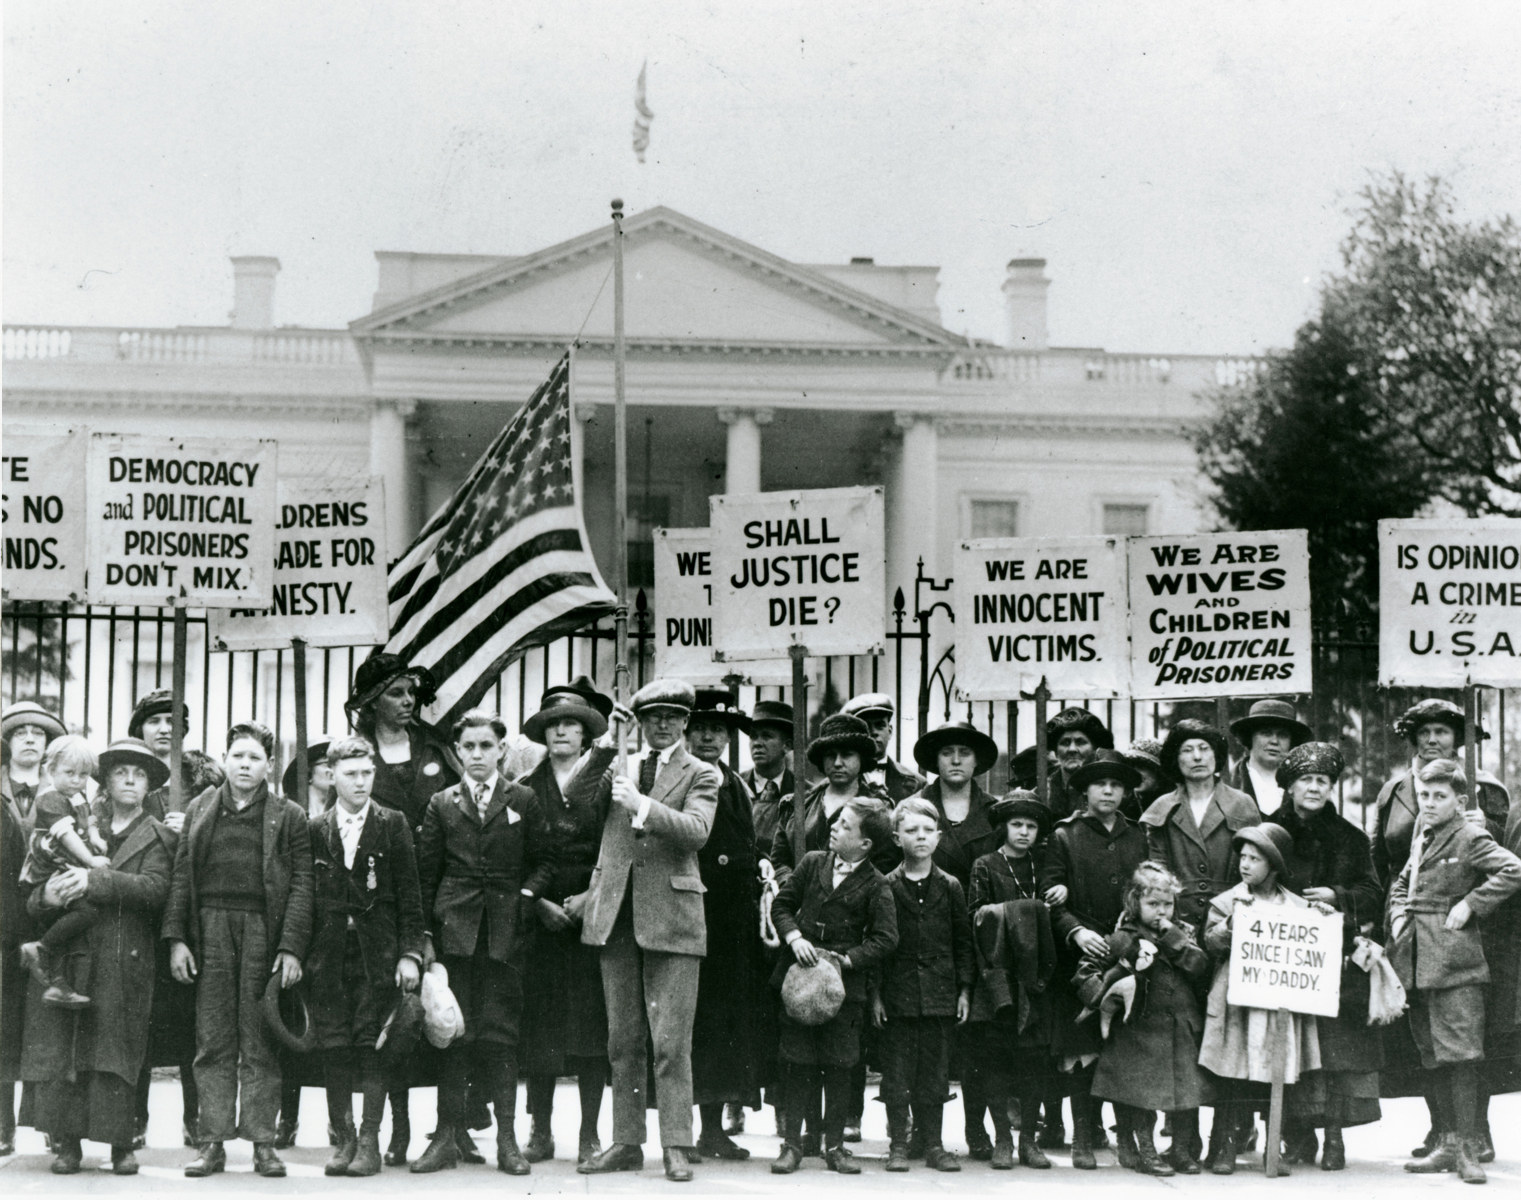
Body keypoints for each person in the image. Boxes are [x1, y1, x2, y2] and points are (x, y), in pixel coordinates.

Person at [572, 679, 719, 1183]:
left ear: (685, 723)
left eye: (671, 716)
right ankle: (627, 1141)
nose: (661, 724)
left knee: (672, 1041)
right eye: (651, 715)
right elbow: (571, 794)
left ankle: (677, 1142)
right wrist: (603, 743)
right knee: (623, 1040)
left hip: (673, 918)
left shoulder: (702, 772)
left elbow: (697, 831)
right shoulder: (619, 760)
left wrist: (641, 804)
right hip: (615, 915)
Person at [162, 720, 314, 1179]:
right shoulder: (201, 807)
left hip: (262, 933)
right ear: (225, 760)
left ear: (269, 766)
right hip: (209, 929)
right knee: (213, 1037)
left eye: (255, 758)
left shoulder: (289, 815)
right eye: (238, 756)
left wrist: (290, 947)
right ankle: (212, 1141)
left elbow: (304, 885)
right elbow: (181, 877)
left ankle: (263, 1142)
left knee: (259, 1037)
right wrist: (177, 939)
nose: (245, 765)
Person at [20, 738, 175, 1176]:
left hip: (125, 959)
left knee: (117, 1050)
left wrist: (96, 881)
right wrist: (46, 897)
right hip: (73, 955)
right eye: (121, 772)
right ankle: (67, 1143)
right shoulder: (77, 820)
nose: (130, 780)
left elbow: (155, 890)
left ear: (149, 786)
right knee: (68, 1048)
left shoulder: (159, 835)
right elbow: (35, 886)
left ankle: (121, 1143)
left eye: (140, 774)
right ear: (104, 779)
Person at [411, 710, 554, 1175]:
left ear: (501, 751)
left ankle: (508, 1142)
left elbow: (544, 861)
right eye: (468, 747)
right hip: (455, 935)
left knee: (501, 1037)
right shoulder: (442, 803)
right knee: (453, 1033)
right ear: (457, 751)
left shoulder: (525, 799)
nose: (476, 755)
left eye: (485, 747)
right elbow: (425, 874)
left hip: (505, 936)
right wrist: (427, 936)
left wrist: (525, 897)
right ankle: (447, 1136)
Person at [1373, 698, 1510, 1160]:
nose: (1433, 740)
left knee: (1467, 1035)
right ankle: (1443, 1132)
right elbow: (1389, 862)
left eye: (1444, 732)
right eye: (1425, 732)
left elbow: (1500, 859)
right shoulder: (1395, 791)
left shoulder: (1483, 790)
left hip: (1463, 931)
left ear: (1459, 740)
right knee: (1425, 1038)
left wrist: (1472, 905)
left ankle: (1474, 1135)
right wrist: (1394, 912)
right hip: (1412, 929)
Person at [345, 651, 462, 1158]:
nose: (408, 701)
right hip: (380, 899)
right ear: (371, 703)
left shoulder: (434, 748)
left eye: (412, 693)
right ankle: (395, 1129)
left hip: (438, 891)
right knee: (391, 1014)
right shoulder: (357, 754)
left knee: (439, 1011)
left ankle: (448, 1130)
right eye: (396, 693)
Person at [1387, 759, 1521, 1185]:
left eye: (1439, 796)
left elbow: (1514, 868)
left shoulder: (1469, 834)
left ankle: (1466, 1147)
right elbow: (1401, 881)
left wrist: (1471, 904)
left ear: (1460, 801)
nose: (1429, 803)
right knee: (1431, 1052)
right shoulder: (1422, 834)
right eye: (1423, 795)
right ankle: (1445, 1141)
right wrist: (1395, 915)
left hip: (1456, 962)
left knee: (1461, 1054)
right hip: (1415, 958)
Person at [304, 736, 425, 1176]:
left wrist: (410, 954)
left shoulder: (393, 823)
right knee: (334, 1042)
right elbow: (305, 900)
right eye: (350, 774)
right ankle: (345, 1139)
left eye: (366, 773)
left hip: (379, 955)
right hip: (331, 955)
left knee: (372, 1042)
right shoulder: (315, 829)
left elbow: (411, 900)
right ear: (331, 775)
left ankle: (370, 1140)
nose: (360, 782)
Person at [1267, 742, 1384, 1170]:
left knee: (1335, 1051)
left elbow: (1373, 893)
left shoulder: (1351, 838)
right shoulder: (1267, 831)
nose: (1315, 788)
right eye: (1306, 780)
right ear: (1290, 786)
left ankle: (1334, 1135)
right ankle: (1296, 1137)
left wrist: (1337, 897)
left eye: (1323, 781)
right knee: (1290, 1044)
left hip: (1334, 958)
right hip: (1282, 955)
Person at [769, 798, 898, 1175]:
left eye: (844, 825)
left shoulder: (877, 884)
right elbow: (782, 906)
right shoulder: (812, 863)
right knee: (797, 1061)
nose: (834, 828)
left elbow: (886, 938)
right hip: (800, 979)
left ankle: (835, 1146)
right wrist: (794, 938)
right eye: (837, 821)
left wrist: (848, 960)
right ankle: (793, 1144)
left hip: (846, 990)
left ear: (865, 845)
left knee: (840, 1065)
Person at [517, 677, 616, 1168]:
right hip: (541, 922)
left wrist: (591, 895)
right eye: (553, 725)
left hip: (591, 918)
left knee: (591, 1028)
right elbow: (518, 859)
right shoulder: (525, 788)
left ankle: (590, 1133)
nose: (561, 733)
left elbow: (616, 848)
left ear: (585, 734)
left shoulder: (606, 781)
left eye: (570, 725)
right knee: (541, 1028)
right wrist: (538, 905)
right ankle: (539, 1129)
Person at [1041, 751, 1150, 1170]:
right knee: (1083, 1050)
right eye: (1100, 783)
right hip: (1083, 957)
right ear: (1084, 790)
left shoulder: (1138, 835)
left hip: (1126, 952)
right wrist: (1076, 931)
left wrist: (1132, 937)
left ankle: (1127, 1140)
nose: (1108, 791)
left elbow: (1148, 889)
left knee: (1124, 1047)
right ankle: (1083, 1135)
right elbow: (1050, 894)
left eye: (1117, 784)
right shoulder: (1065, 836)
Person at [1199, 823, 1322, 1176]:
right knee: (1232, 1075)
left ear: (1274, 865)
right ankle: (1222, 1145)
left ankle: (1275, 1148)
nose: (1245, 864)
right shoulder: (1227, 902)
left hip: (1278, 1005)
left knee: (1275, 1074)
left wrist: (1321, 923)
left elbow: (1311, 945)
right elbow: (1211, 943)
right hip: (1237, 1004)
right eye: (1243, 857)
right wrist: (1231, 925)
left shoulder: (1296, 906)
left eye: (1255, 858)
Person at [906, 720, 1002, 1158]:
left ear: (977, 760)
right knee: (926, 1044)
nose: (957, 760)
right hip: (928, 937)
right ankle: (921, 1133)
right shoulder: (915, 809)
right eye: (948, 753)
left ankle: (977, 1131)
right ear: (935, 761)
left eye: (965, 752)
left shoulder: (995, 811)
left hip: (982, 938)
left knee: (979, 1040)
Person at [1077, 862, 1210, 1177]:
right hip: (1139, 1030)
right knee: (1142, 1096)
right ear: (1135, 903)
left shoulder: (1184, 933)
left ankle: (1180, 1151)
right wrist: (1105, 995)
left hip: (1179, 1026)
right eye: (1153, 904)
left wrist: (1174, 939)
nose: (1161, 911)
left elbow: (1199, 966)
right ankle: (1147, 1151)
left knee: (1186, 1093)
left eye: (1167, 904)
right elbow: (1087, 973)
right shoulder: (1125, 936)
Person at [684, 689, 766, 1162]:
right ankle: (688, 1128)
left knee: (726, 1024)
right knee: (695, 1023)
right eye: (700, 728)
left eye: (718, 728)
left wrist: (761, 865)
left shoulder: (735, 783)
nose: (709, 736)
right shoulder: (682, 778)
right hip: (694, 911)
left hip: (732, 920)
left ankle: (713, 1128)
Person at [873, 796, 973, 1173]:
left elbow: (963, 942)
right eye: (911, 830)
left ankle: (932, 1142)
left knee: (935, 1073)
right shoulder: (886, 886)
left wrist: (964, 990)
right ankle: (899, 1143)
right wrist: (877, 995)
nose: (920, 837)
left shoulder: (950, 887)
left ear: (939, 837)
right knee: (897, 1073)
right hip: (898, 996)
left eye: (928, 831)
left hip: (939, 996)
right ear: (896, 837)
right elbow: (879, 944)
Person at [968, 792, 1058, 1170]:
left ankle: (1028, 1141)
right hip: (998, 979)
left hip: (1035, 979)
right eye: (1017, 825)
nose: (1024, 832)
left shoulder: (1042, 865)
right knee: (996, 1060)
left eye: (1032, 826)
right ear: (1004, 827)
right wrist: (1028, 911)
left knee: (1033, 1062)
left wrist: (1058, 896)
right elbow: (976, 916)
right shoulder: (986, 865)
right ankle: (1002, 1136)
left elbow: (1057, 911)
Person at [1139, 719, 1261, 932]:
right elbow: (1156, 874)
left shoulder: (1243, 804)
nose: (1197, 757)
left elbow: (1257, 866)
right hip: (1177, 922)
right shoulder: (1162, 808)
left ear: (1216, 755)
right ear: (1176, 759)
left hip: (1231, 918)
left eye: (1204, 748)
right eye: (1187, 750)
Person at [18, 735, 106, 1009]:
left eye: (83, 775)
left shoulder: (78, 795)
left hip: (65, 865)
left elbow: (88, 817)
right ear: (50, 770)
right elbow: (66, 835)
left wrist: (95, 834)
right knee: (87, 912)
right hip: (48, 869)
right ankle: (39, 948)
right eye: (69, 773)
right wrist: (91, 860)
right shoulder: (50, 799)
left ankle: (57, 984)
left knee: (67, 927)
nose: (77, 780)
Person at [771, 713, 894, 878]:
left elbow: (885, 863)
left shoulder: (879, 808)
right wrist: (794, 890)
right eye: (830, 755)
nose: (837, 762)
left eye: (847, 754)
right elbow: (780, 861)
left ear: (861, 758)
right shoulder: (796, 804)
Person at [1226, 699, 1313, 814]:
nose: (1274, 741)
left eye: (1282, 735)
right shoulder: (1228, 782)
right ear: (1249, 737)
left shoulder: (1307, 785)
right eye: (1266, 733)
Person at [840, 694, 924, 802]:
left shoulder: (917, 783)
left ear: (890, 731)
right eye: (866, 727)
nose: (874, 732)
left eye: (879, 725)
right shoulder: (840, 780)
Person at [127, 688, 191, 828]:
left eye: (171, 721)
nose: (164, 729)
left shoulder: (202, 780)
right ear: (140, 729)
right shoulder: (124, 777)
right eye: (154, 721)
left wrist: (191, 829)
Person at [742, 699, 795, 855]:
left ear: (787, 745)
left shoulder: (804, 792)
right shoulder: (734, 786)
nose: (757, 743)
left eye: (766, 736)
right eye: (753, 736)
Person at [1042, 707, 1114, 819]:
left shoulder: (1110, 792)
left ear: (1095, 750)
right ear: (1056, 752)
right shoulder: (1041, 793)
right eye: (1065, 742)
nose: (1072, 749)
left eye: (1080, 742)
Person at [1116, 739, 1168, 823]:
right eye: (1131, 766)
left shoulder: (1169, 804)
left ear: (1157, 772)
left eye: (1141, 766)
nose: (1134, 772)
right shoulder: (1124, 804)